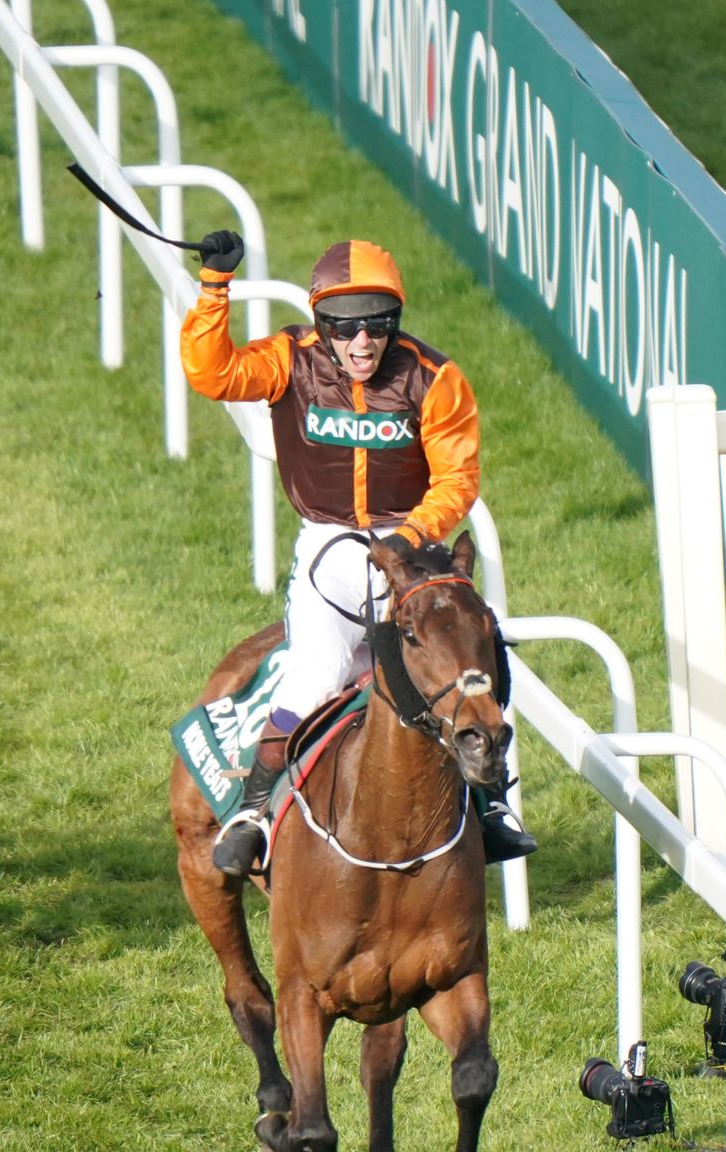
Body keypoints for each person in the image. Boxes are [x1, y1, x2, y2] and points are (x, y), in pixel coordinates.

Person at [180, 232, 540, 879]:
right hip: (328, 547)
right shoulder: (291, 358)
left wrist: (412, 535)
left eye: (377, 326)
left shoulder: (435, 378)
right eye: (345, 329)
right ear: (322, 325)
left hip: (411, 549)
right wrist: (214, 286)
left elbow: (457, 478)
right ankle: (254, 811)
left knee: (473, 653)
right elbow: (213, 372)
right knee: (317, 674)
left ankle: (491, 802)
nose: (361, 343)